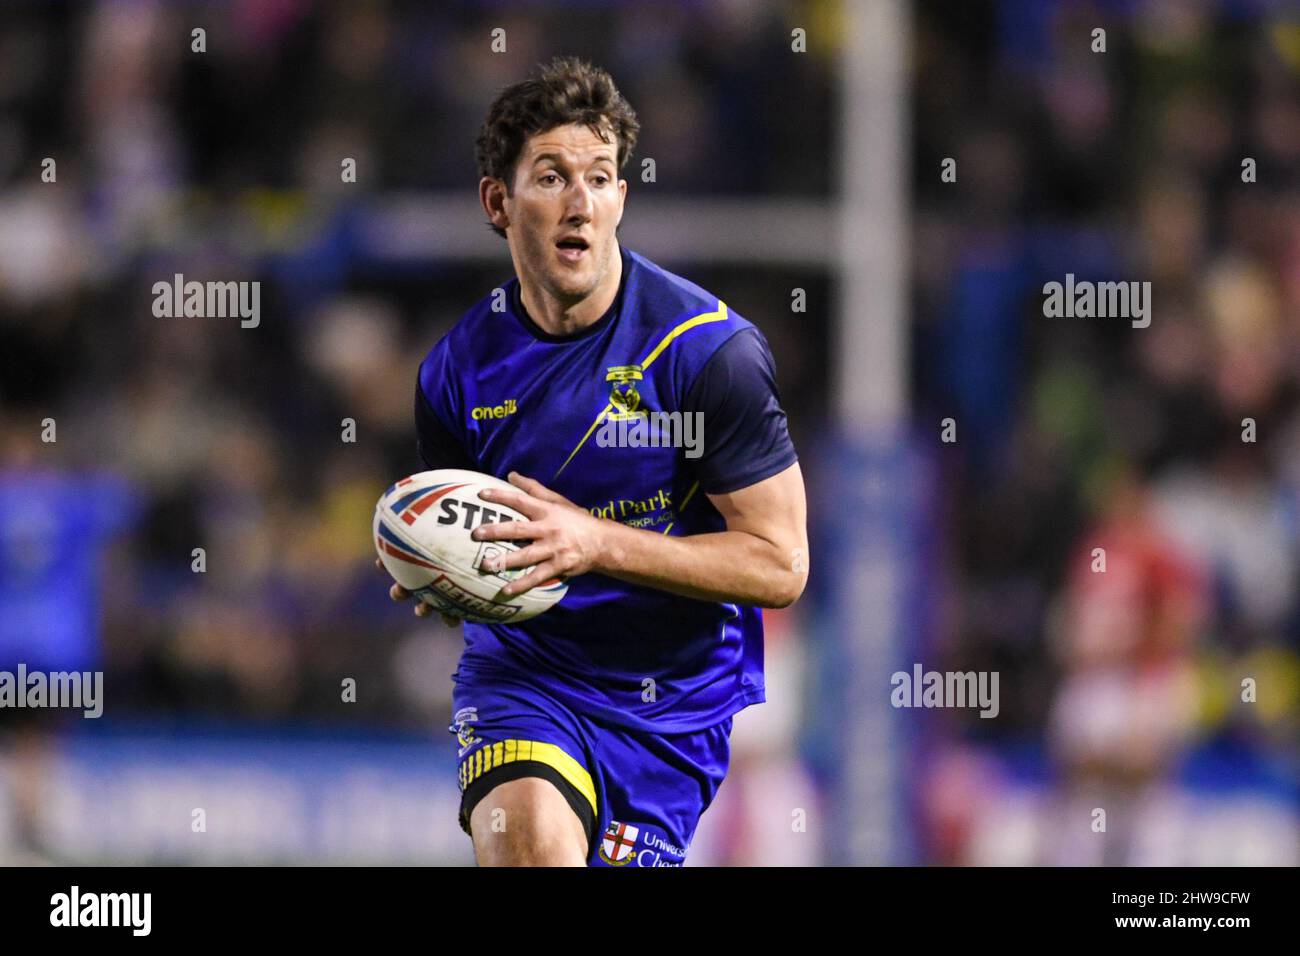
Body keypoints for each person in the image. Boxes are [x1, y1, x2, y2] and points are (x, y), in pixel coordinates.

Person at [385, 56, 807, 867]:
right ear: (497, 203)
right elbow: (470, 534)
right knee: (531, 839)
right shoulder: (455, 371)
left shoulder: (706, 354)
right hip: (528, 679)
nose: (581, 203)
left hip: (668, 705)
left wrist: (596, 543)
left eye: (601, 178)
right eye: (551, 177)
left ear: (622, 197)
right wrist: (436, 573)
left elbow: (781, 563)